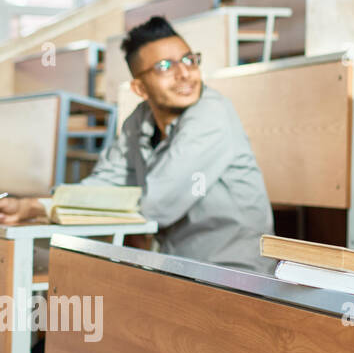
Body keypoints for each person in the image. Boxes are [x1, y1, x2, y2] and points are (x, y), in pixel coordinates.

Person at [0, 16, 275, 273]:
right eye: (165, 66)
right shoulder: (140, 120)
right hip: (178, 266)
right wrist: (33, 206)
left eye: (189, 60)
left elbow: (157, 206)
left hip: (233, 273)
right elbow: (106, 181)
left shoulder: (212, 114)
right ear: (140, 89)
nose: (184, 74)